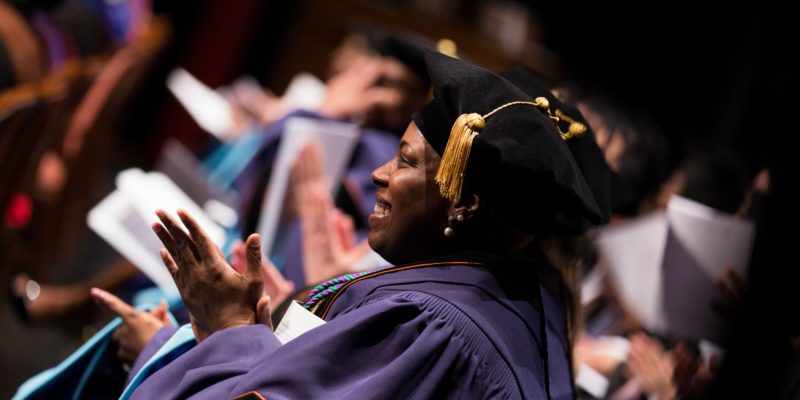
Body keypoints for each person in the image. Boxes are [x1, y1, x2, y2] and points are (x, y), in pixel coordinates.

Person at [128, 49, 604, 399]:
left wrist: (228, 329)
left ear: (464, 205)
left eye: (404, 161)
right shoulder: (506, 303)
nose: (380, 172)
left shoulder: (425, 327)